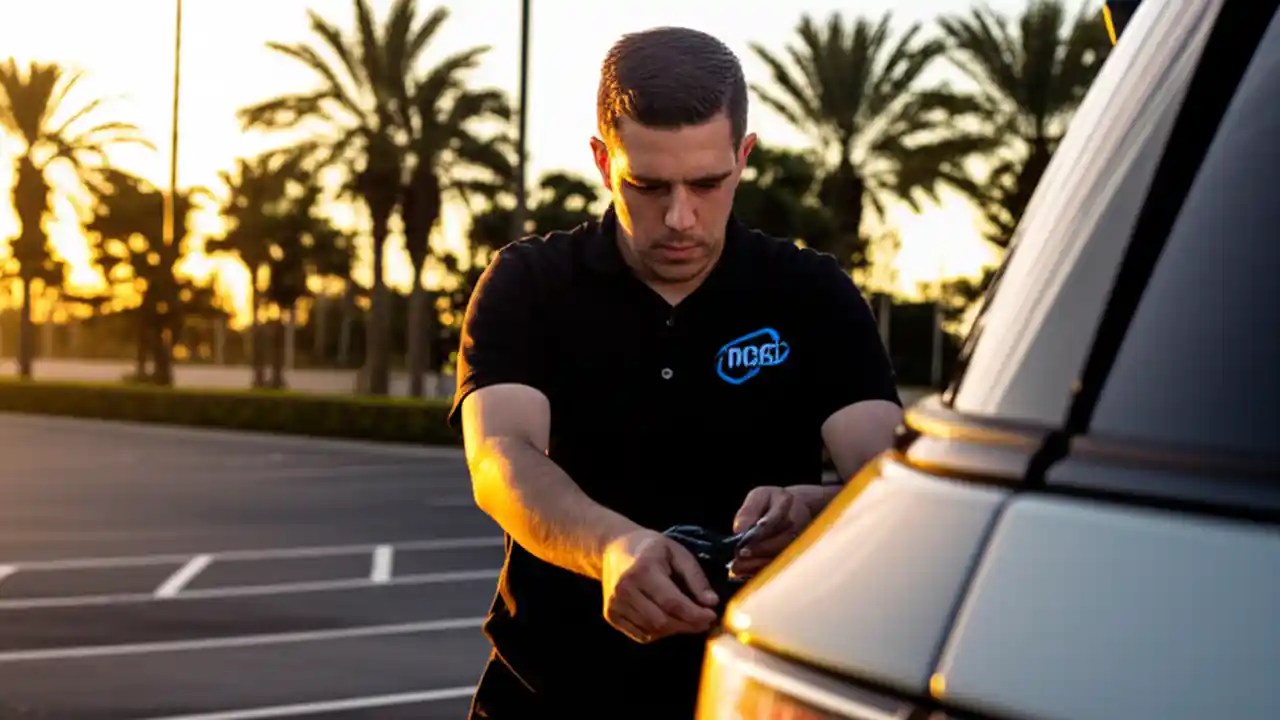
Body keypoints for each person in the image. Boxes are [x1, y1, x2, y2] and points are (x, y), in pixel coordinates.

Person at [449, 25, 904, 719]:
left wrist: (817, 509)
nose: (680, 217)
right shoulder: (530, 283)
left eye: (708, 183)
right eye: (648, 186)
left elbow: (889, 478)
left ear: (744, 157)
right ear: (604, 162)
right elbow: (499, 456)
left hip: (751, 697)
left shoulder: (811, 294)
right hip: (548, 695)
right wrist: (610, 549)